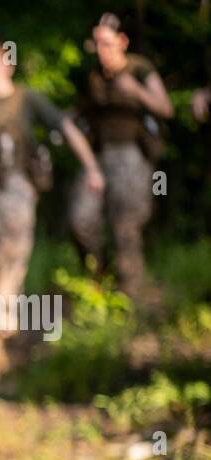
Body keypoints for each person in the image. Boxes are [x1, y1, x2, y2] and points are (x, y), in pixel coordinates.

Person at [0, 37, 105, 379]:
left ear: (8, 66)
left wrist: (91, 167)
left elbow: (65, 128)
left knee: (5, 258)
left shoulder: (26, 99)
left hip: (13, 188)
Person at [68, 13, 173, 302]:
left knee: (125, 225)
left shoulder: (140, 69)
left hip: (133, 156)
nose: (101, 50)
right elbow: (81, 113)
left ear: (122, 42)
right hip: (98, 157)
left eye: (107, 43)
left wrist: (136, 91)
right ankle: (100, 278)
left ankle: (132, 296)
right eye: (97, 44)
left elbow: (166, 109)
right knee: (80, 219)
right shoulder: (93, 75)